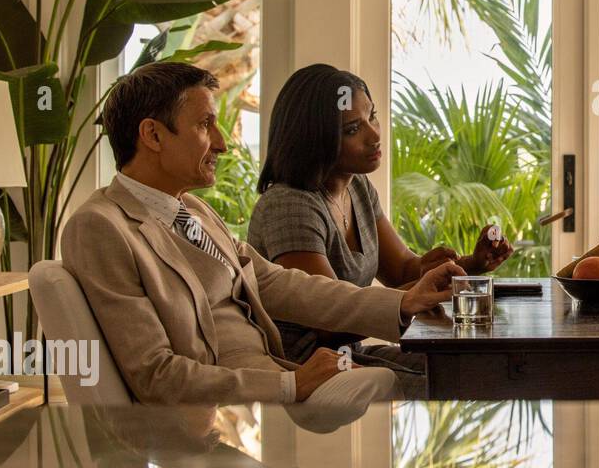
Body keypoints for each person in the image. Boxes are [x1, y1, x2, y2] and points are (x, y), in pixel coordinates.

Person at [61, 62, 464, 431]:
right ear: (152, 134)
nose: (221, 143)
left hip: (278, 373)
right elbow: (155, 374)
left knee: (449, 374)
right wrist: (289, 385)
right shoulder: (100, 227)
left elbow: (279, 284)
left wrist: (401, 304)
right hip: (234, 413)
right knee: (440, 384)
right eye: (206, 125)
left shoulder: (192, 210)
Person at [247, 64, 513, 397]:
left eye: (372, 117)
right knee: (447, 387)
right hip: (306, 368)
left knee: (472, 370)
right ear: (313, 136)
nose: (374, 135)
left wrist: (472, 264)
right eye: (353, 129)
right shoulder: (290, 206)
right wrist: (422, 291)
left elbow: (402, 269)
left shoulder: (356, 187)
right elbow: (328, 323)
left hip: (348, 354)